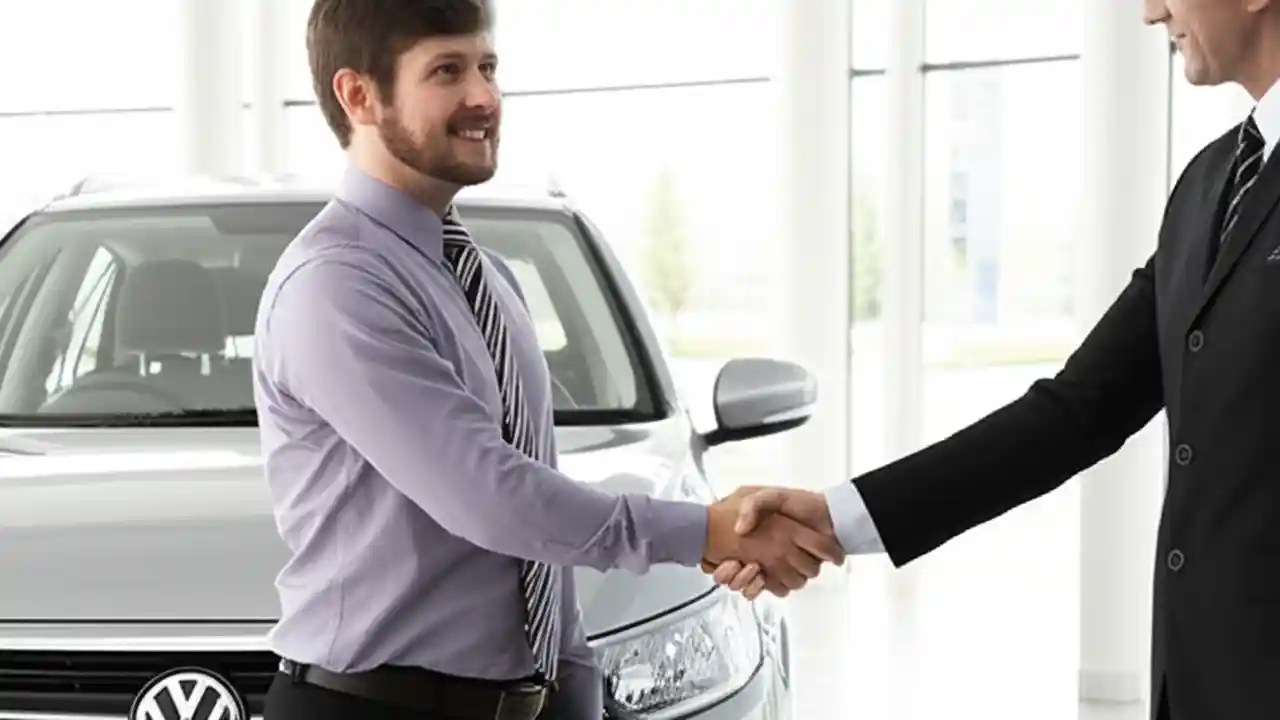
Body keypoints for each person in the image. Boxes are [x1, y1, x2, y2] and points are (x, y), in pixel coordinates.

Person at [252, 2, 842, 719]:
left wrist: (573, 686)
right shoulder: (336, 284)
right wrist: (703, 531)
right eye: (447, 70)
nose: (484, 97)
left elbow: (532, 536)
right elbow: (490, 496)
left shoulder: (488, 279)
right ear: (358, 95)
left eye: (488, 66)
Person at [709, 1, 1280, 718]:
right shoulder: (1209, 181)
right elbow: (1077, 409)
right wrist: (834, 518)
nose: (1151, 10)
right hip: (1199, 684)